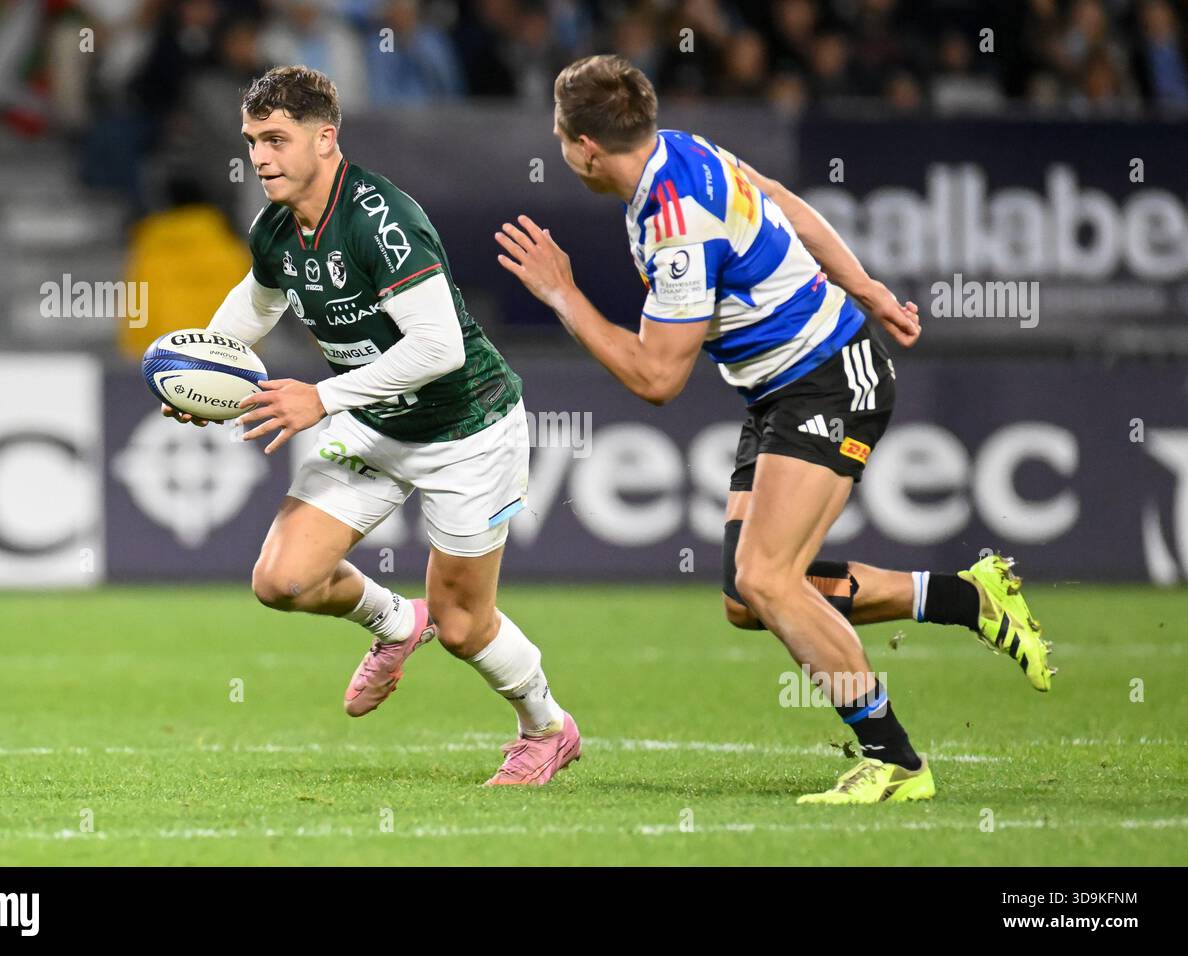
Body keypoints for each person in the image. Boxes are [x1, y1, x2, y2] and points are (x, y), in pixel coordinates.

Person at [496, 54, 1053, 804]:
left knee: (767, 578)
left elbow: (659, 379)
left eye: (560, 135)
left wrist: (564, 295)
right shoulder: (684, 150)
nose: (559, 148)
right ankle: (965, 598)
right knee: (743, 594)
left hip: (828, 379)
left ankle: (895, 762)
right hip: (782, 390)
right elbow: (784, 200)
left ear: (586, 147)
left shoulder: (675, 223)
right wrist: (868, 285)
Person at [163, 65, 581, 786]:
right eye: (251, 140)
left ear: (326, 140)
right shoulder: (275, 227)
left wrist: (321, 399)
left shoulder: (380, 220)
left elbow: (439, 348)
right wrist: (204, 373)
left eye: (275, 139)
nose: (259, 156)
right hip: (374, 421)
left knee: (463, 626)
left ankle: (546, 728)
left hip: (466, 427)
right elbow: (255, 306)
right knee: (282, 581)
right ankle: (394, 621)